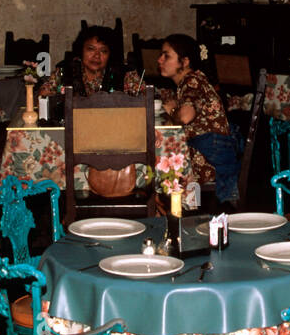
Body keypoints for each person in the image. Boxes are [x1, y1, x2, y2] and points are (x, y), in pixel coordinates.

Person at [156, 33, 240, 205]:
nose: (160, 60)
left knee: (163, 162)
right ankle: (176, 212)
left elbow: (186, 116)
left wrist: (172, 110)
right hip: (213, 151)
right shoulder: (191, 81)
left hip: (213, 158)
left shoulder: (192, 81)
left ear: (185, 62)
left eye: (167, 56)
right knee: (163, 159)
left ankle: (178, 214)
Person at [39, 25, 141, 98]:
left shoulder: (125, 75)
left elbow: (146, 99)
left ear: (110, 54)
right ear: (81, 50)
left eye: (103, 51)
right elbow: (42, 96)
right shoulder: (65, 71)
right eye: (91, 49)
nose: (96, 56)